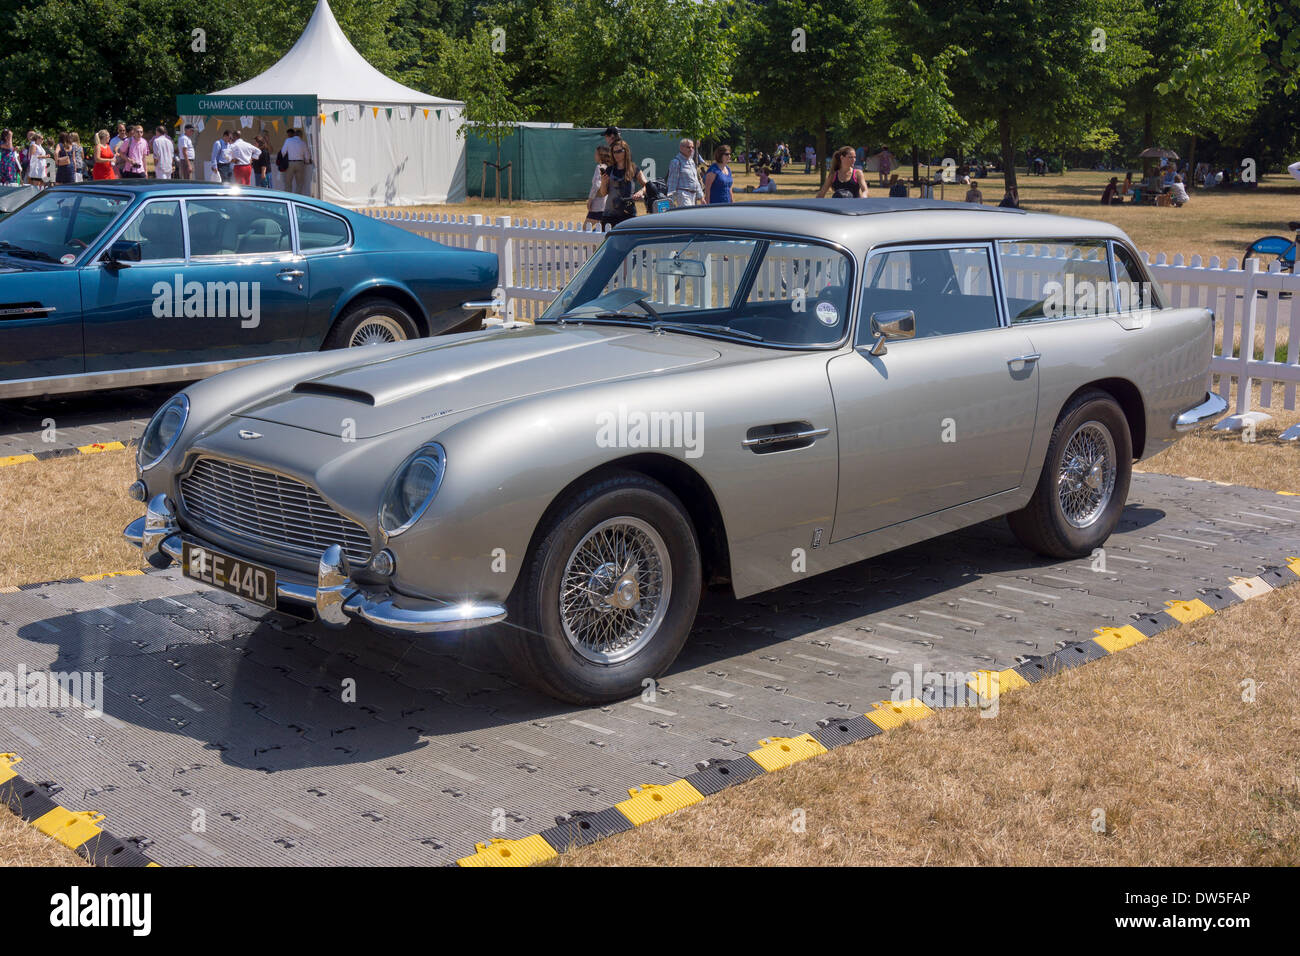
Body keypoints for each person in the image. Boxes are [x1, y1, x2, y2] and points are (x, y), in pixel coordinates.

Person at [599, 137, 646, 227]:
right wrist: (603, 182)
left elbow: (646, 185)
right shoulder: (609, 170)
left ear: (626, 151)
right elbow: (603, 193)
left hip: (629, 214)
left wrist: (641, 192)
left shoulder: (634, 168)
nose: (616, 154)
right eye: (614, 152)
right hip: (610, 215)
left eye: (619, 151)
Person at [666, 137, 704, 207]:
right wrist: (670, 200)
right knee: (689, 216)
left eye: (692, 147)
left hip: (693, 195)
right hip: (683, 195)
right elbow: (672, 182)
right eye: (688, 147)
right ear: (681, 148)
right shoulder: (676, 162)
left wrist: (701, 197)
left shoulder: (691, 161)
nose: (691, 149)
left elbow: (695, 180)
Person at [280, 128, 312, 194]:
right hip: (300, 163)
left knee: (288, 183)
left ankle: (288, 198)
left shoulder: (288, 140)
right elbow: (307, 156)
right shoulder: (303, 143)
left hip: (290, 163)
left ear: (294, 134)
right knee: (299, 183)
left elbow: (283, 152)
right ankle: (297, 198)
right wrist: (307, 161)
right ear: (301, 135)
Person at [586, 144, 611, 226]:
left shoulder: (599, 167)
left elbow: (596, 185)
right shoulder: (609, 167)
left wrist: (590, 200)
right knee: (601, 229)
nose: (594, 155)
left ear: (601, 156)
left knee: (585, 229)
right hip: (606, 204)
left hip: (597, 204)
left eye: (596, 154)